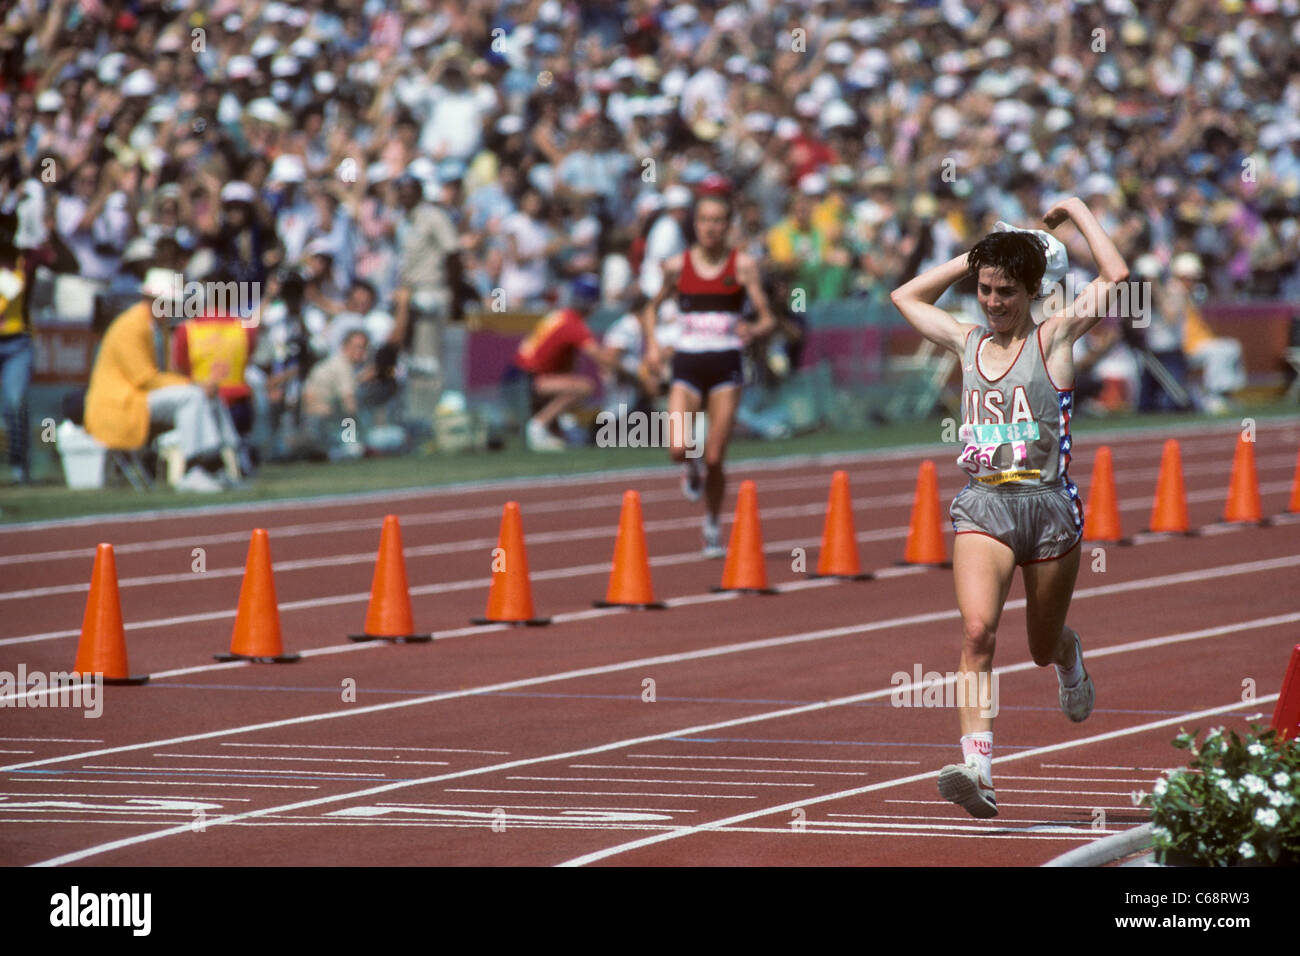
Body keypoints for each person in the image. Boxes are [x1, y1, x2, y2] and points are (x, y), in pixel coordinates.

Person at [889, 196, 1130, 818]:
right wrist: (976, 254)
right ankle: (980, 769)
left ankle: (1069, 658)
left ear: (1032, 291)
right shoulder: (966, 342)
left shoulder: (1056, 339)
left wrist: (1075, 209)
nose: (993, 302)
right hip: (985, 509)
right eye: (985, 289)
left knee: (1041, 645)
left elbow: (1117, 278)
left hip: (1049, 510)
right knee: (976, 633)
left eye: (1006, 291)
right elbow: (905, 298)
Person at [642, 191, 777, 558]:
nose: (711, 227)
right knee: (677, 448)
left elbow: (767, 318)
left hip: (726, 366)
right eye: (704, 220)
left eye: (718, 220)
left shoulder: (743, 265)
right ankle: (690, 469)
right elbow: (649, 310)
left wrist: (755, 328)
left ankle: (712, 526)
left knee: (716, 456)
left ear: (728, 226)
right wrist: (653, 347)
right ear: (695, 225)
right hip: (686, 363)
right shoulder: (675, 266)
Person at [84, 269, 242, 492]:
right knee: (192, 396)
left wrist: (198, 386)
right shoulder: (130, 326)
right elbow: (145, 379)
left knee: (205, 395)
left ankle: (223, 462)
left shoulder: (157, 327)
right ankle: (194, 469)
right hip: (121, 404)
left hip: (140, 398)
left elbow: (163, 376)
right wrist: (193, 385)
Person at [508, 276, 616, 452]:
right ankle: (538, 426)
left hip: (521, 376)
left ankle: (559, 425)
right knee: (584, 387)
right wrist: (625, 369)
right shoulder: (572, 323)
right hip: (526, 379)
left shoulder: (560, 316)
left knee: (571, 376)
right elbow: (599, 355)